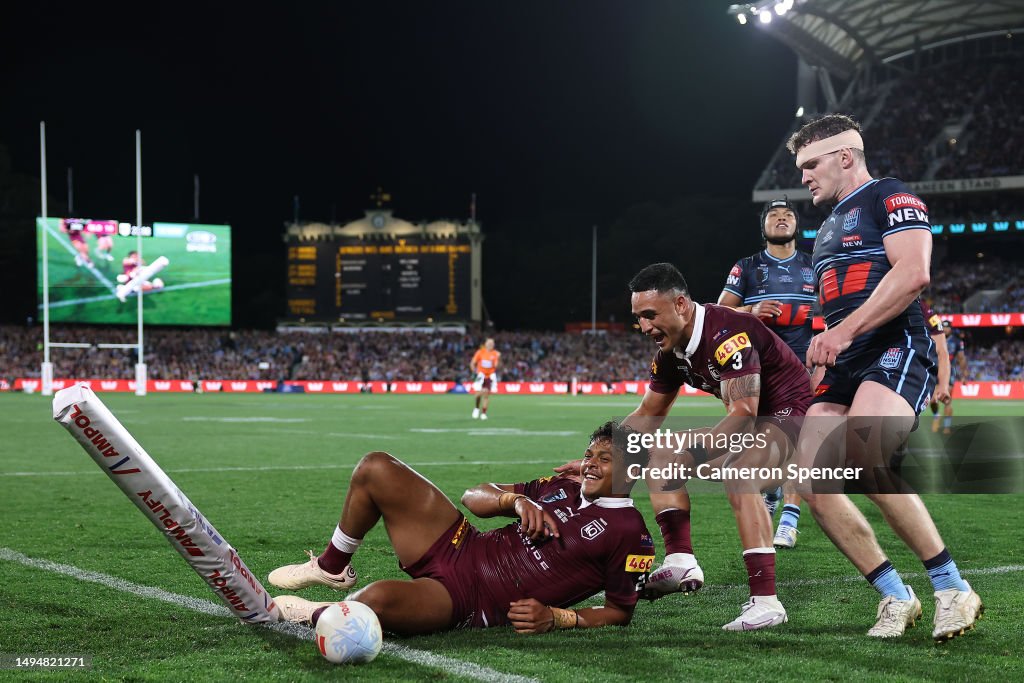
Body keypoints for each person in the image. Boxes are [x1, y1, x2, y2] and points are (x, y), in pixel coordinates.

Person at [787, 113, 982, 641]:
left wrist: (843, 332)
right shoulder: (827, 227)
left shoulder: (888, 195)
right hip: (845, 361)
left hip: (895, 345)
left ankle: (953, 588)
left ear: (845, 156)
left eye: (811, 164)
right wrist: (825, 345)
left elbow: (914, 272)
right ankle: (897, 596)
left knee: (865, 457)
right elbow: (841, 300)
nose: (804, 176)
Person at [557, 263, 813, 630]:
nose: (644, 326)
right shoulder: (671, 352)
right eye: (638, 318)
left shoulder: (727, 334)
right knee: (656, 451)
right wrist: (597, 459)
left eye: (650, 315)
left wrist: (692, 455)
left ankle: (767, 603)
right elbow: (648, 413)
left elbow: (743, 412)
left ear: (680, 305)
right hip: (756, 422)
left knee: (739, 473)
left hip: (796, 421)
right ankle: (680, 561)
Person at [269, 421, 655, 635]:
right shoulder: (561, 486)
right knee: (376, 467)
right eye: (588, 454)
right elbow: (473, 496)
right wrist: (515, 500)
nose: (589, 464)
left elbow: (619, 611)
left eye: (605, 459)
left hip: (471, 598)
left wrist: (559, 617)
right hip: (462, 544)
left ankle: (315, 614)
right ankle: (332, 566)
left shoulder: (630, 531)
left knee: (375, 602)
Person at [717, 197, 818, 549]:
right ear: (763, 226)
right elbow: (719, 312)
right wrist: (752, 309)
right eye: (773, 215)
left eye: (788, 214)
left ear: (797, 225)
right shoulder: (746, 267)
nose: (781, 219)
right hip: (757, 369)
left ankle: (789, 518)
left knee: (797, 442)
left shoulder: (815, 265)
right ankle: (772, 491)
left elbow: (835, 310)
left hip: (801, 365)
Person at [932, 321, 965, 435]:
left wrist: (964, 375)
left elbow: (961, 358)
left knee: (947, 400)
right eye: (943, 327)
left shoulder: (957, 341)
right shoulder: (934, 338)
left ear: (951, 329)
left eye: (947, 327)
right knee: (933, 400)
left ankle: (946, 426)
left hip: (949, 372)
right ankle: (936, 416)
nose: (945, 329)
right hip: (935, 371)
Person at [470, 338, 500, 420]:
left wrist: (499, 358)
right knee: (477, 395)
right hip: (480, 375)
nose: (491, 344)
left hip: (489, 376)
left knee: (486, 394)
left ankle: (483, 413)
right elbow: (473, 363)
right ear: (485, 344)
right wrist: (474, 372)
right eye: (489, 343)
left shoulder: (495, 354)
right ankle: (476, 408)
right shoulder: (480, 352)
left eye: (492, 343)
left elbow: (497, 366)